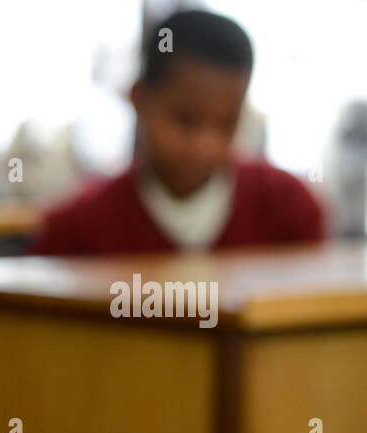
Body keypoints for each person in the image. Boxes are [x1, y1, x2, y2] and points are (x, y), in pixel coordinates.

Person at [31, 9, 323, 255]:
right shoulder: (77, 227)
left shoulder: (288, 209)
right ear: (139, 99)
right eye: (185, 120)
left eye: (227, 123)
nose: (204, 146)